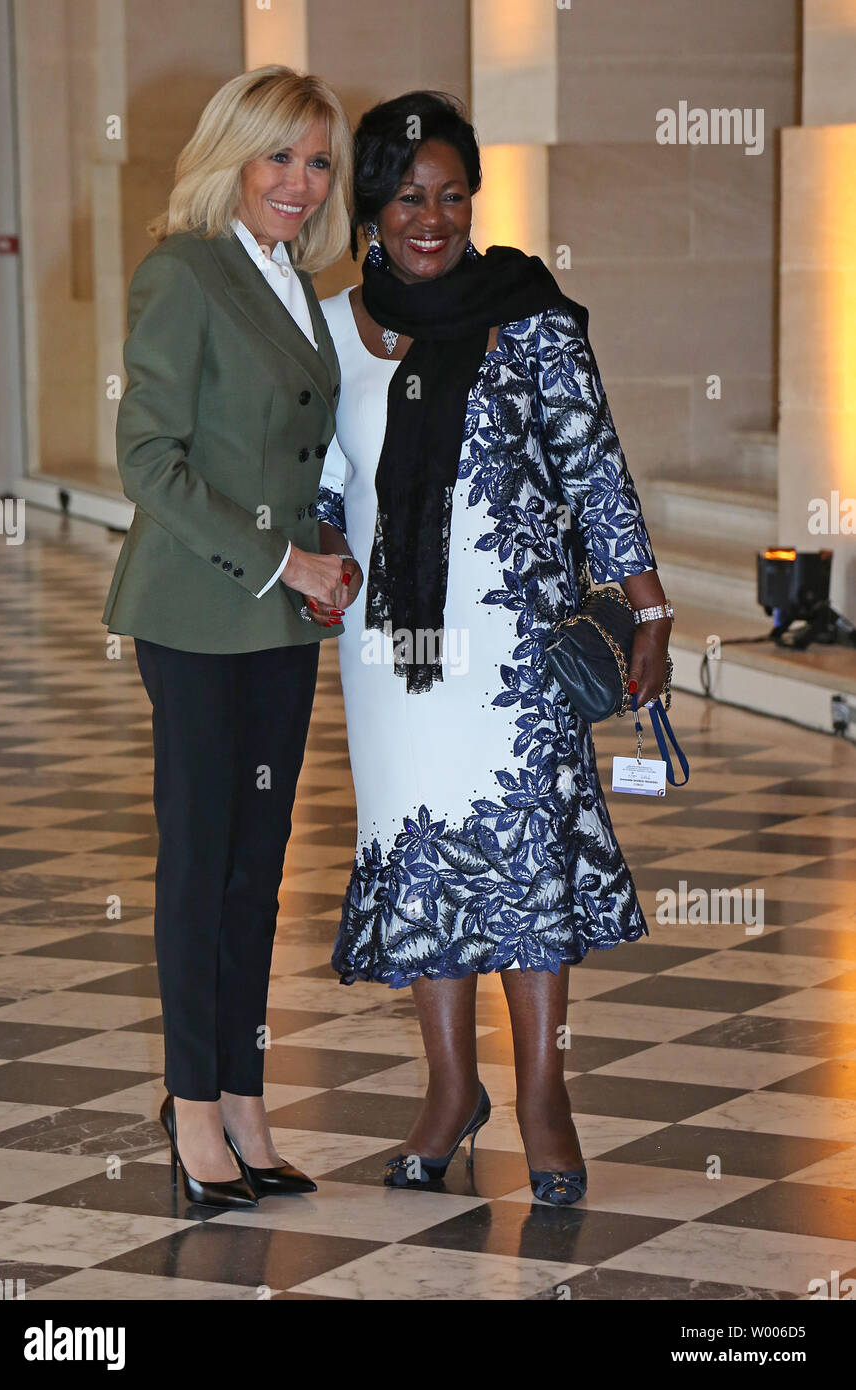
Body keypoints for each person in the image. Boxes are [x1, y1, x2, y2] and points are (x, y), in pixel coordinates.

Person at [310, 92, 673, 1206]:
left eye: (452, 194)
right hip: (395, 644)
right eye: (409, 195)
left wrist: (647, 608)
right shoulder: (333, 327)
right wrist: (322, 537)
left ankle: (544, 1098)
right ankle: (450, 1089)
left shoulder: (531, 317)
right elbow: (326, 469)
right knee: (417, 847)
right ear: (372, 203)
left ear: (476, 197)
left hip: (516, 643)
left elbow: (594, 469)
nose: (433, 217)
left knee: (526, 858)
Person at [102, 66, 353, 1209]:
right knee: (201, 862)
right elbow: (149, 456)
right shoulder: (183, 272)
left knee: (260, 869)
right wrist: (279, 558)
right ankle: (191, 1103)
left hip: (286, 621)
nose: (300, 184)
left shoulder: (300, 281)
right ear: (231, 159)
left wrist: (329, 548)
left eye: (318, 162)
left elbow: (305, 451)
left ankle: (245, 1097)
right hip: (202, 611)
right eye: (279, 158)